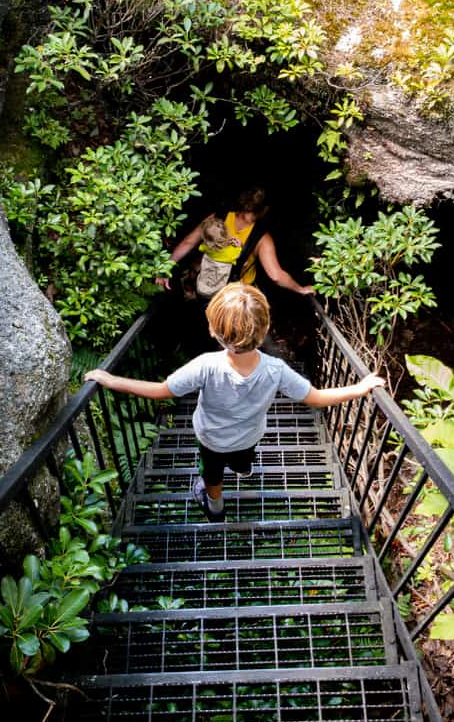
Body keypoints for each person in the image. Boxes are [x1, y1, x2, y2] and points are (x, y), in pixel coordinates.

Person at [85, 283, 384, 523]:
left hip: (212, 440)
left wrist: (112, 380)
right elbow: (316, 397)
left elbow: (163, 391)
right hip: (249, 435)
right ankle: (242, 469)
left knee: (212, 474)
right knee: (243, 457)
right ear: (265, 330)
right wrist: (359, 388)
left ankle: (214, 506)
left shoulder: (205, 365)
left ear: (214, 331)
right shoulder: (276, 371)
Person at [156, 187, 314, 297]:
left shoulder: (218, 217)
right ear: (265, 210)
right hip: (238, 294)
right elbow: (276, 276)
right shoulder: (262, 239)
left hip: (208, 287)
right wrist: (300, 289)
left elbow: (189, 242)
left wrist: (166, 268)